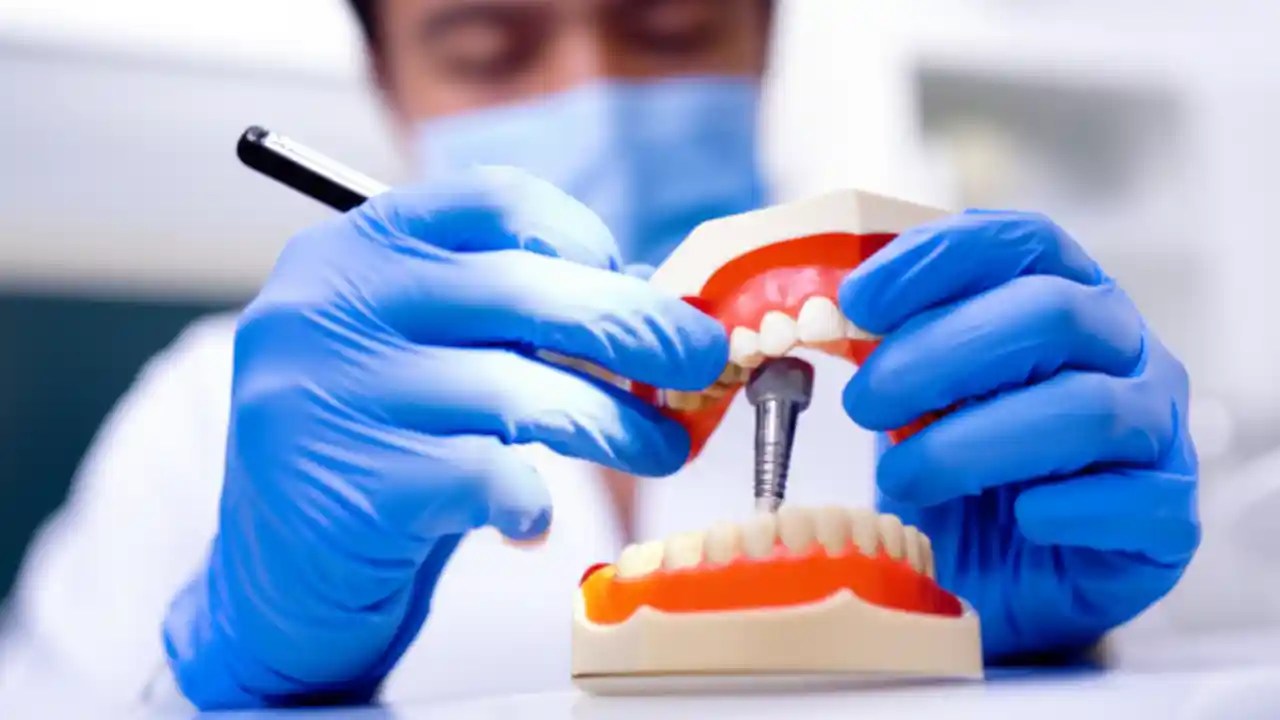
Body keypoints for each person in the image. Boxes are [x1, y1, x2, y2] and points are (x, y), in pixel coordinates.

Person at [0, 0, 1199, 712]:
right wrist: (232, 679)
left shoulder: (982, 359)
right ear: (385, 78)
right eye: (486, 46)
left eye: (665, 22)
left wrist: (1058, 659)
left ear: (765, 33)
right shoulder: (209, 416)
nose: (594, 90)